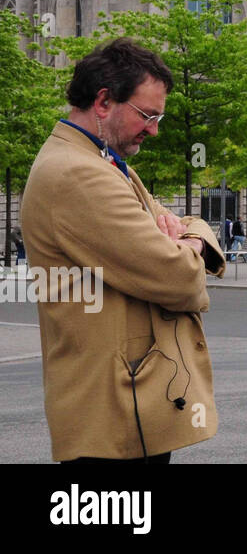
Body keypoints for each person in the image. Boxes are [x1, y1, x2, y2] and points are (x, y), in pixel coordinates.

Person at [20, 38, 225, 463]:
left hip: (129, 401)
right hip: (113, 410)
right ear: (103, 101)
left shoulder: (102, 160)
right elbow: (178, 277)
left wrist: (188, 235)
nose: (154, 129)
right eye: (147, 115)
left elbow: (184, 223)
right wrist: (190, 245)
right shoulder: (79, 173)